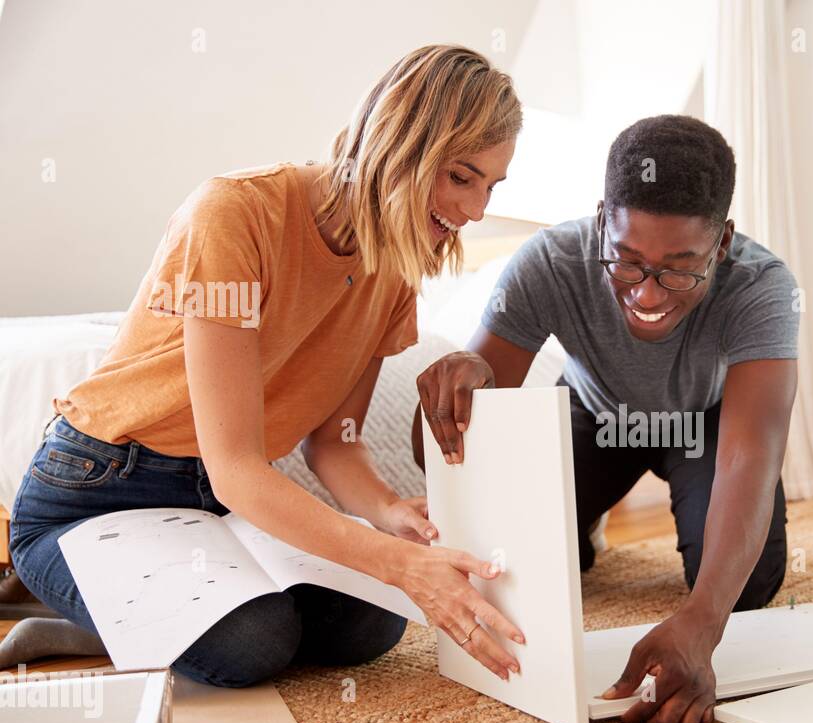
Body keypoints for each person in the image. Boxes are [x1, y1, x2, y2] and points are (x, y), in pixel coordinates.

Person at [8, 45, 528, 686]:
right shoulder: (234, 213)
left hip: (217, 507)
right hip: (102, 490)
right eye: (460, 176)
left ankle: (127, 611)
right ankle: (77, 608)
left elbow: (336, 444)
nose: (475, 210)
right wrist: (395, 562)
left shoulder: (394, 264)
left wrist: (390, 513)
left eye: (490, 186)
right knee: (254, 644)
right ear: (401, 144)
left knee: (370, 624)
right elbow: (235, 469)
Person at [412, 115, 799, 723]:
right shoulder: (550, 261)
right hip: (595, 414)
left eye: (679, 269)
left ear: (722, 244)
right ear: (600, 223)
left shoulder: (764, 286)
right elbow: (444, 448)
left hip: (704, 426)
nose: (648, 295)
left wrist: (702, 624)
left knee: (743, 592)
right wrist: (450, 386)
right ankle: (580, 529)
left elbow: (749, 456)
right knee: (531, 562)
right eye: (626, 261)